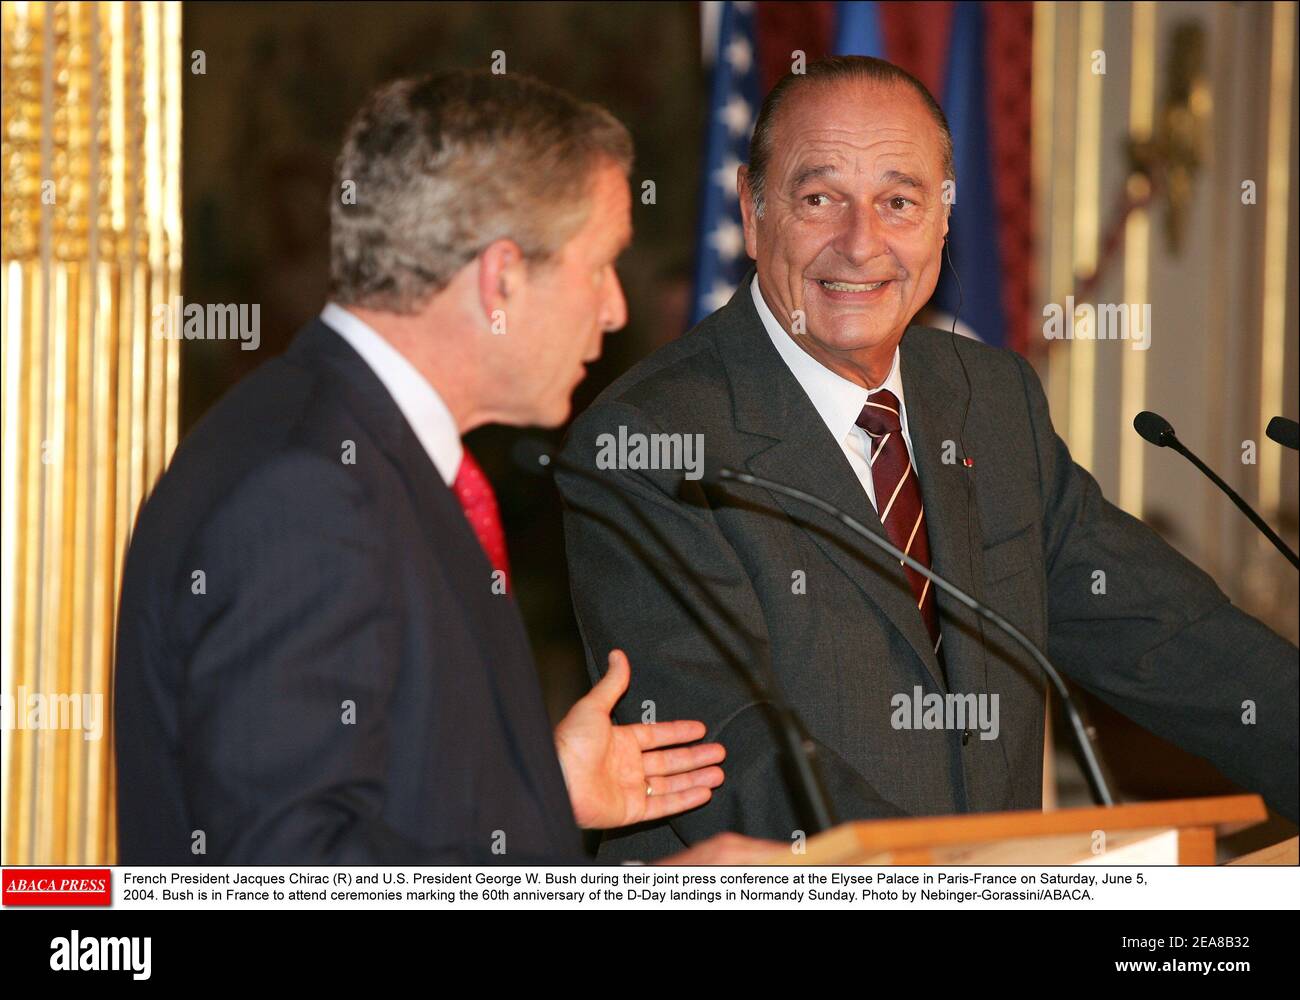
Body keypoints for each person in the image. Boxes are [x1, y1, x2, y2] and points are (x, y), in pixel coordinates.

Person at [557, 56, 1299, 861]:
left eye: (899, 202)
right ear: (752, 206)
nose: (861, 243)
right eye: (819, 199)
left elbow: (1169, 636)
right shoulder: (646, 441)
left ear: (945, 217)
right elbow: (727, 752)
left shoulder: (990, 400)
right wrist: (950, 881)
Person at [114, 70, 777, 865]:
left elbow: (373, 815)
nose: (614, 309)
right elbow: (289, 871)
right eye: (598, 265)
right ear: (500, 277)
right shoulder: (308, 490)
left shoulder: (348, 443)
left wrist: (538, 793)